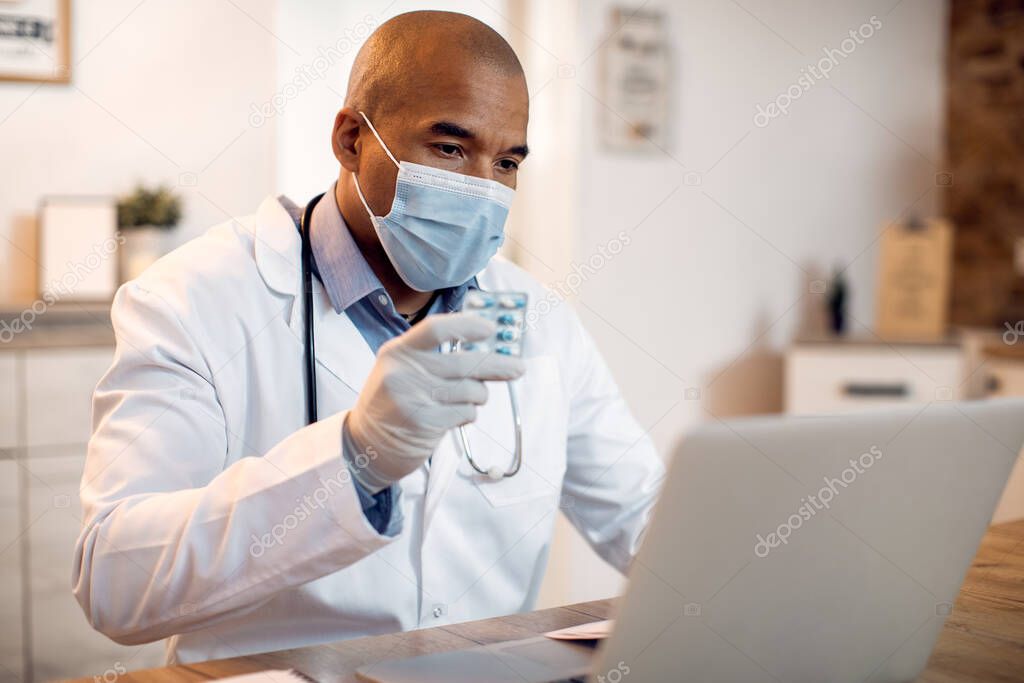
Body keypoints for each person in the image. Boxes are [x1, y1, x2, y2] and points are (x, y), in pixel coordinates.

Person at [73, 10, 664, 664]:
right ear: (352, 139)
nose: (483, 190)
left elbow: (649, 521)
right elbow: (114, 581)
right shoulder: (194, 299)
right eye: (450, 148)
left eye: (506, 163)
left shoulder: (541, 319)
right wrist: (354, 459)